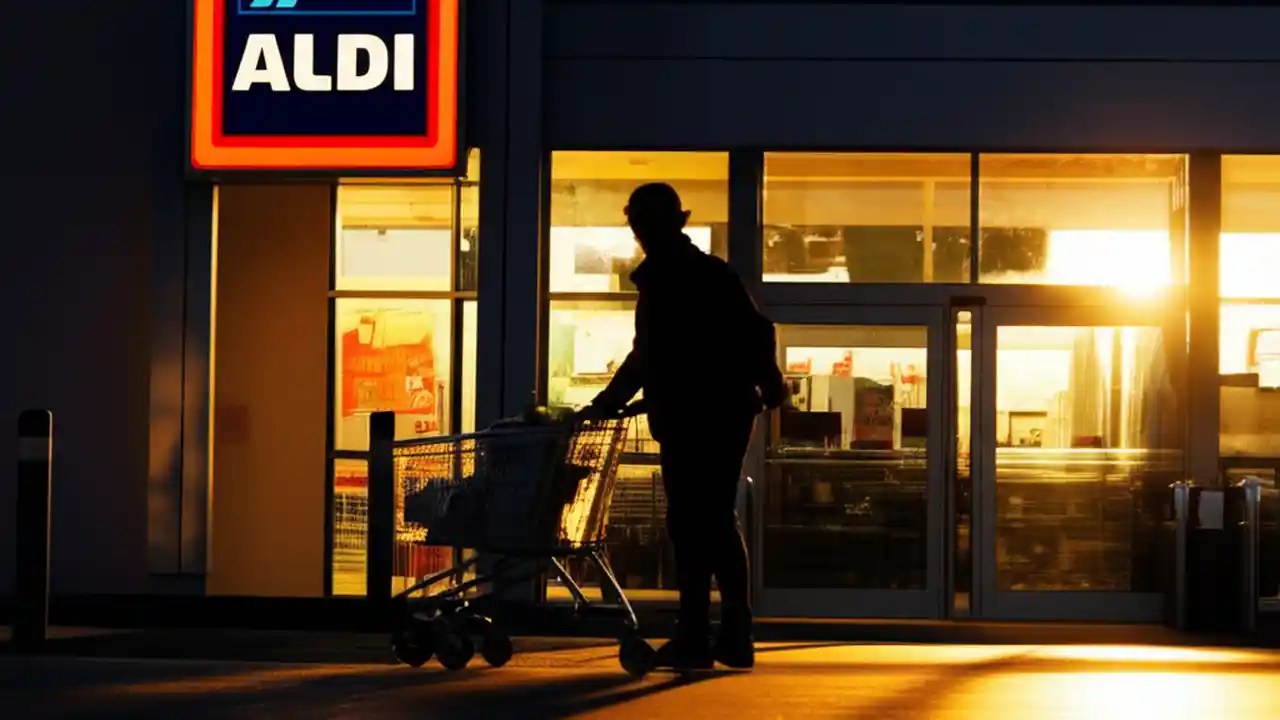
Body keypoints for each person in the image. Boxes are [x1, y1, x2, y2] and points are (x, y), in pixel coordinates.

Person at [583, 182, 787, 670]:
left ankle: (702, 633)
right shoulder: (710, 274)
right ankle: (729, 633)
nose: (640, 233)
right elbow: (754, 333)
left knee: (697, 522)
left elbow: (647, 355)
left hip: (695, 416)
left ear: (656, 226)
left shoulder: (668, 279)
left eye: (642, 224)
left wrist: (606, 402)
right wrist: (769, 385)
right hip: (719, 413)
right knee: (710, 520)